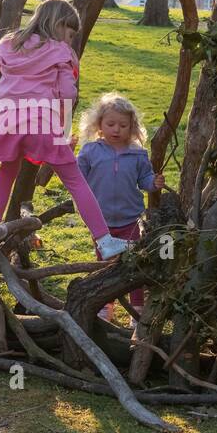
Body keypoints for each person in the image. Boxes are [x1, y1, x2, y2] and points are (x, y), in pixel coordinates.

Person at [0, 0, 128, 259]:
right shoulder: (60, 52)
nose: (69, 41)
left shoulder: (9, 43)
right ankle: (105, 241)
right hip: (42, 123)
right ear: (58, 25)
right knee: (74, 180)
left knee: (6, 171)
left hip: (8, 122)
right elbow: (68, 94)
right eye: (69, 34)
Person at [76, 93, 164, 320]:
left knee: (134, 263)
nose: (116, 129)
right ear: (99, 125)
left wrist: (153, 183)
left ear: (132, 127)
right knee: (104, 263)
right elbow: (76, 178)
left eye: (123, 125)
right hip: (100, 221)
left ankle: (138, 309)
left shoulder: (137, 154)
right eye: (111, 124)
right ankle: (105, 305)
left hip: (131, 219)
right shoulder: (90, 151)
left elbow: (144, 179)